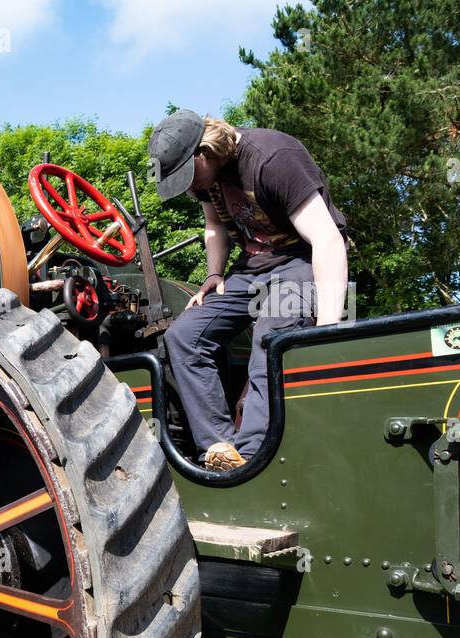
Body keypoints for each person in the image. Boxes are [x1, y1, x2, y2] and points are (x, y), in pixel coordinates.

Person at [149, 110, 349, 470]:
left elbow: (327, 239)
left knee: (271, 331)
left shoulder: (273, 158)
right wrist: (214, 273)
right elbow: (214, 226)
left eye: (187, 176)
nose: (189, 188)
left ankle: (255, 457)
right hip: (252, 268)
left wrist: (329, 327)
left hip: (301, 260)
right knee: (183, 336)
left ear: (204, 153)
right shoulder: (204, 178)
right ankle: (221, 450)